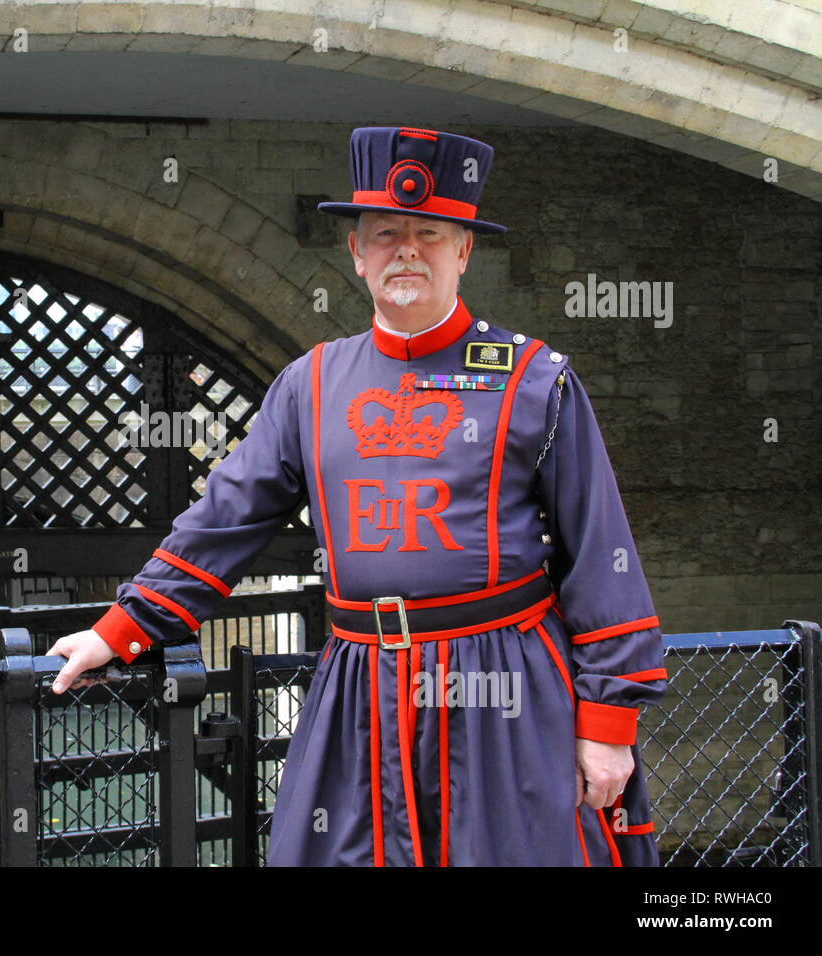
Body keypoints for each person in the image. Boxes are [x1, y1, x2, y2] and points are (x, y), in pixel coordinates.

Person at [47, 126, 668, 866]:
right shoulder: (309, 386)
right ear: (356, 253)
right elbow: (225, 518)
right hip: (359, 689)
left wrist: (606, 725)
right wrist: (121, 629)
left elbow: (601, 555)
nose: (406, 250)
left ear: (463, 250)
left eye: (429, 234)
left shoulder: (536, 381)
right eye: (385, 234)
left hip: (502, 685)